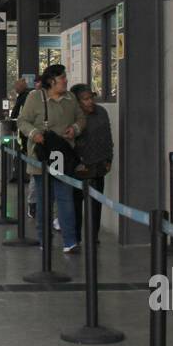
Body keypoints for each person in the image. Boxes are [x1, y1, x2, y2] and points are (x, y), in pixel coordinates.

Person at [16, 63, 86, 254]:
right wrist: (34, 134)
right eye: (62, 77)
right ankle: (44, 239)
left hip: (63, 156)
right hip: (42, 155)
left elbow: (81, 119)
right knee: (44, 198)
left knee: (65, 198)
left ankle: (70, 241)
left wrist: (75, 129)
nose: (65, 80)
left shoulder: (70, 98)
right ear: (51, 81)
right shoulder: (35, 98)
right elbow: (22, 121)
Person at [70, 83, 113, 247]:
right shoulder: (72, 116)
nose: (90, 102)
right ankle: (75, 238)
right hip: (78, 166)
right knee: (75, 204)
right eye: (85, 99)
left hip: (99, 165)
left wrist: (109, 159)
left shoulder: (101, 112)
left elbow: (107, 138)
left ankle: (93, 236)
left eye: (91, 98)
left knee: (96, 204)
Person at [7, 77, 30, 182]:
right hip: (20, 129)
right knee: (19, 150)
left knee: (22, 150)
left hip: (23, 130)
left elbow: (21, 113)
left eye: (17, 86)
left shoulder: (26, 97)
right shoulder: (22, 96)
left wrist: (16, 125)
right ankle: (18, 174)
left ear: (22, 87)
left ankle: (22, 175)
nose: (15, 88)